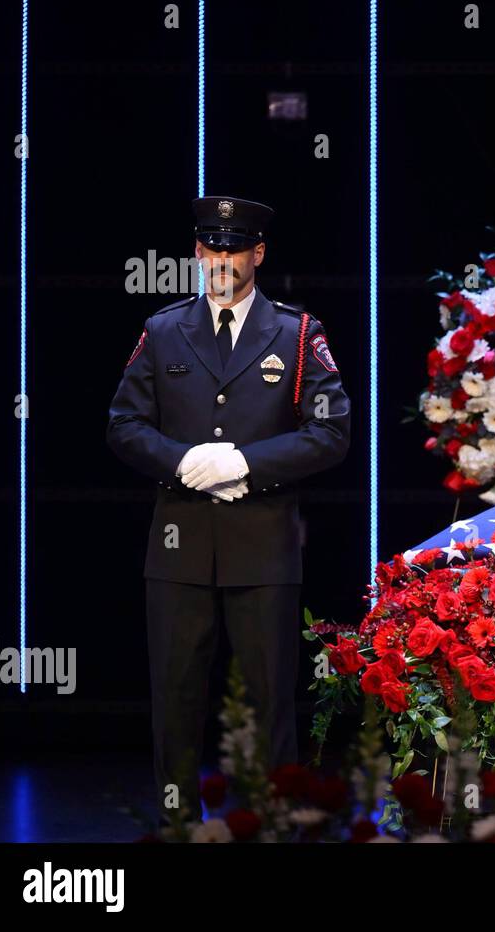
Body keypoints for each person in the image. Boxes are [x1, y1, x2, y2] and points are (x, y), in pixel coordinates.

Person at [107, 196, 351, 821]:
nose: (221, 259)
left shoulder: (298, 333)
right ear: (196, 253)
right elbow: (124, 424)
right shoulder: (164, 330)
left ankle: (271, 819)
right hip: (179, 546)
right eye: (210, 248)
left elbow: (331, 432)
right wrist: (181, 461)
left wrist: (246, 463)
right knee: (176, 693)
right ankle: (179, 820)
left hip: (263, 546)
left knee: (270, 698)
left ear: (257, 254)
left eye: (233, 248)